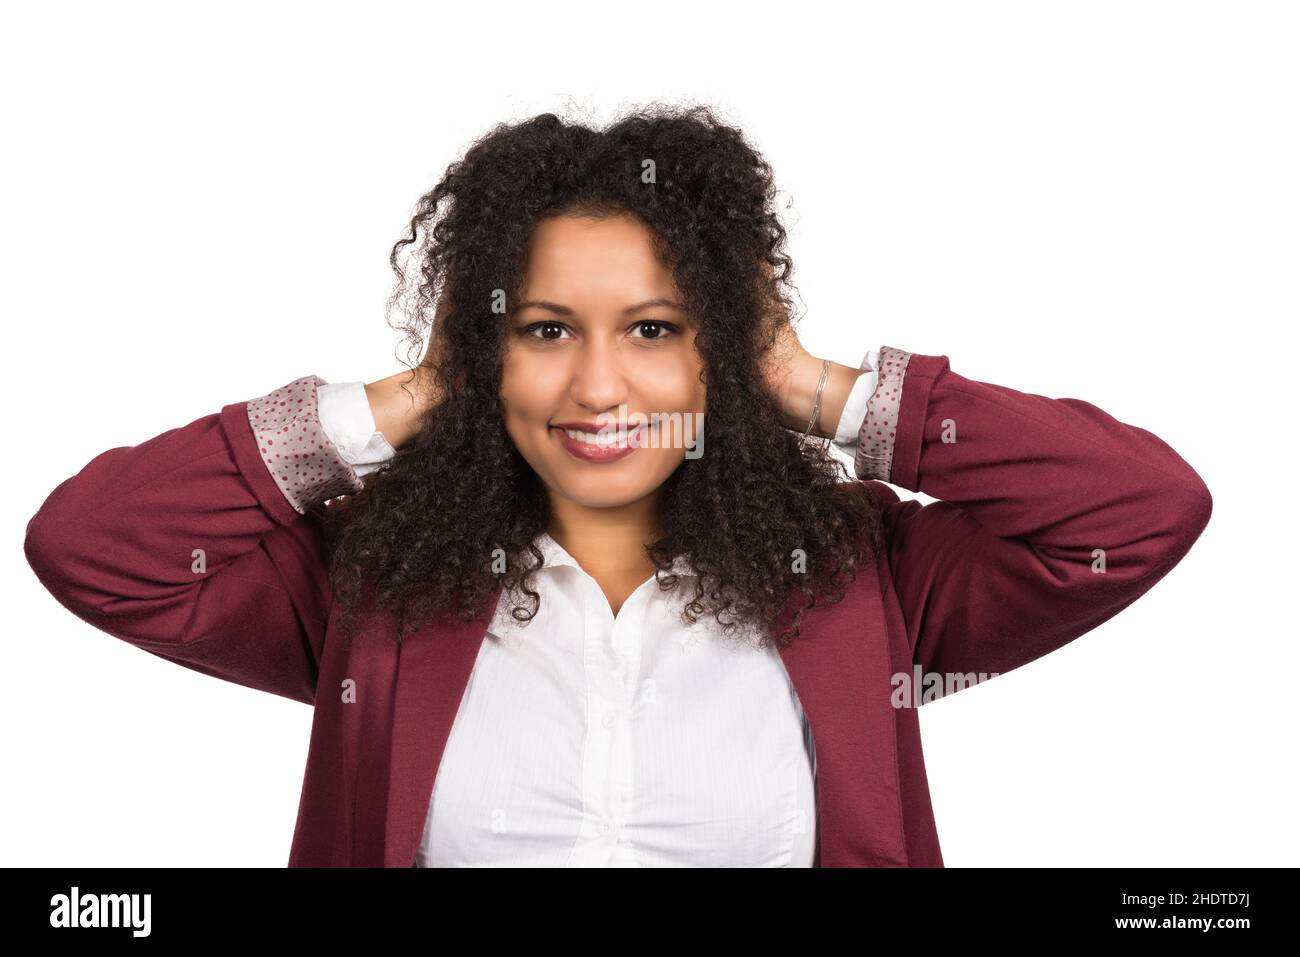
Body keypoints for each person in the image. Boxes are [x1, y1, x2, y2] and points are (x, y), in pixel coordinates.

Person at [23, 105, 1213, 867]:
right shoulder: (375, 580)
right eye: (545, 330)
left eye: (653, 328)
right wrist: (414, 393)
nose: (598, 386)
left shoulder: (863, 577)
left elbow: (1136, 513)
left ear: (722, 347)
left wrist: (809, 383)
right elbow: (94, 548)